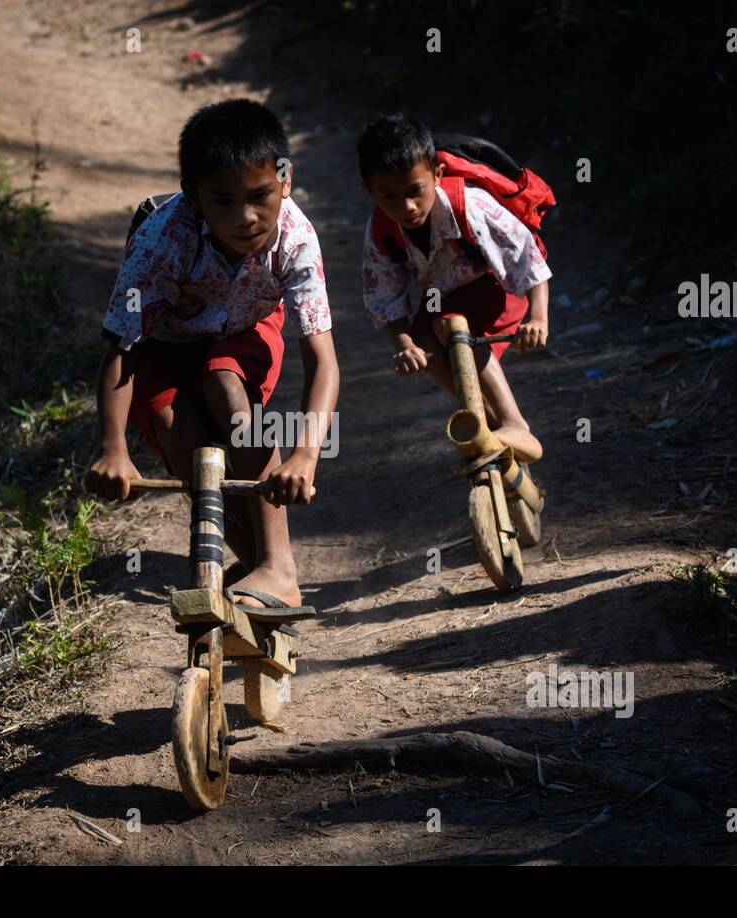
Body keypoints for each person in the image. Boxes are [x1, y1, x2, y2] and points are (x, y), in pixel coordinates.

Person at [85, 99, 339, 609]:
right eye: (222, 201)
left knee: (228, 395)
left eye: (260, 196)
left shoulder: (295, 237)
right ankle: (255, 564)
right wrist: (113, 447)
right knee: (183, 437)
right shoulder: (161, 242)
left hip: (245, 329)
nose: (246, 217)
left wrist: (306, 455)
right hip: (166, 341)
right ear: (193, 198)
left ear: (284, 181)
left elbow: (323, 359)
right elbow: (123, 350)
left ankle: (279, 566)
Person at [357, 114, 551, 462]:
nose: (407, 207)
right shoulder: (381, 230)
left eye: (415, 191)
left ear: (437, 174)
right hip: (444, 300)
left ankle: (515, 424)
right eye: (389, 196)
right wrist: (404, 347)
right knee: (424, 338)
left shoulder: (469, 205)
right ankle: (483, 420)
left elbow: (528, 256)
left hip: (495, 292)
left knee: (449, 325)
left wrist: (539, 318)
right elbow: (385, 300)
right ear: (369, 191)